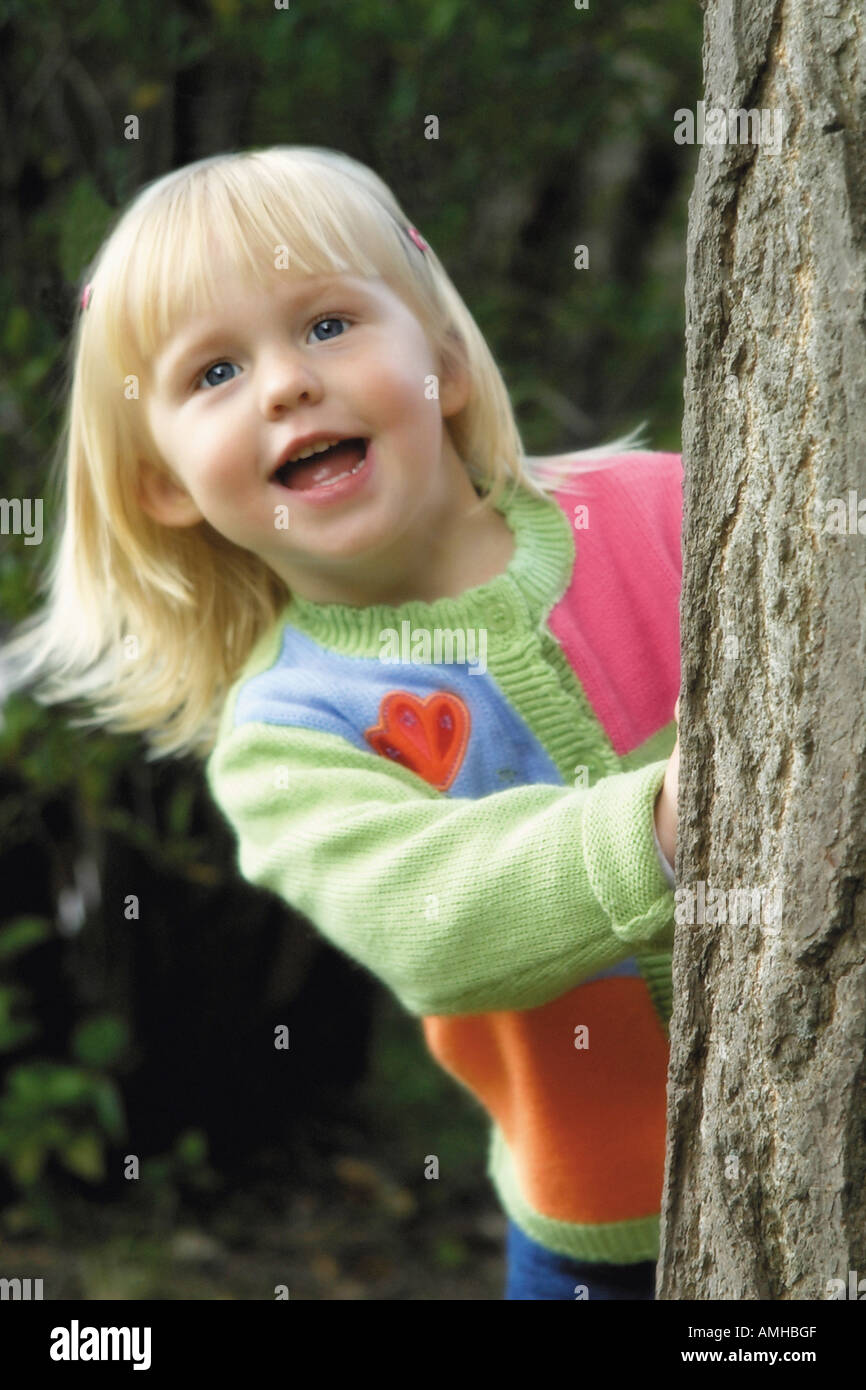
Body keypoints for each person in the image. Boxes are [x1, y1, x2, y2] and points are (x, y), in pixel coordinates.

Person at [1, 145, 682, 1300]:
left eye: (326, 326)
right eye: (212, 371)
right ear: (164, 485)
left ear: (447, 364)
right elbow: (433, 923)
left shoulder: (664, 510)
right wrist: (665, 827)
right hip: (607, 1246)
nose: (283, 385)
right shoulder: (287, 733)